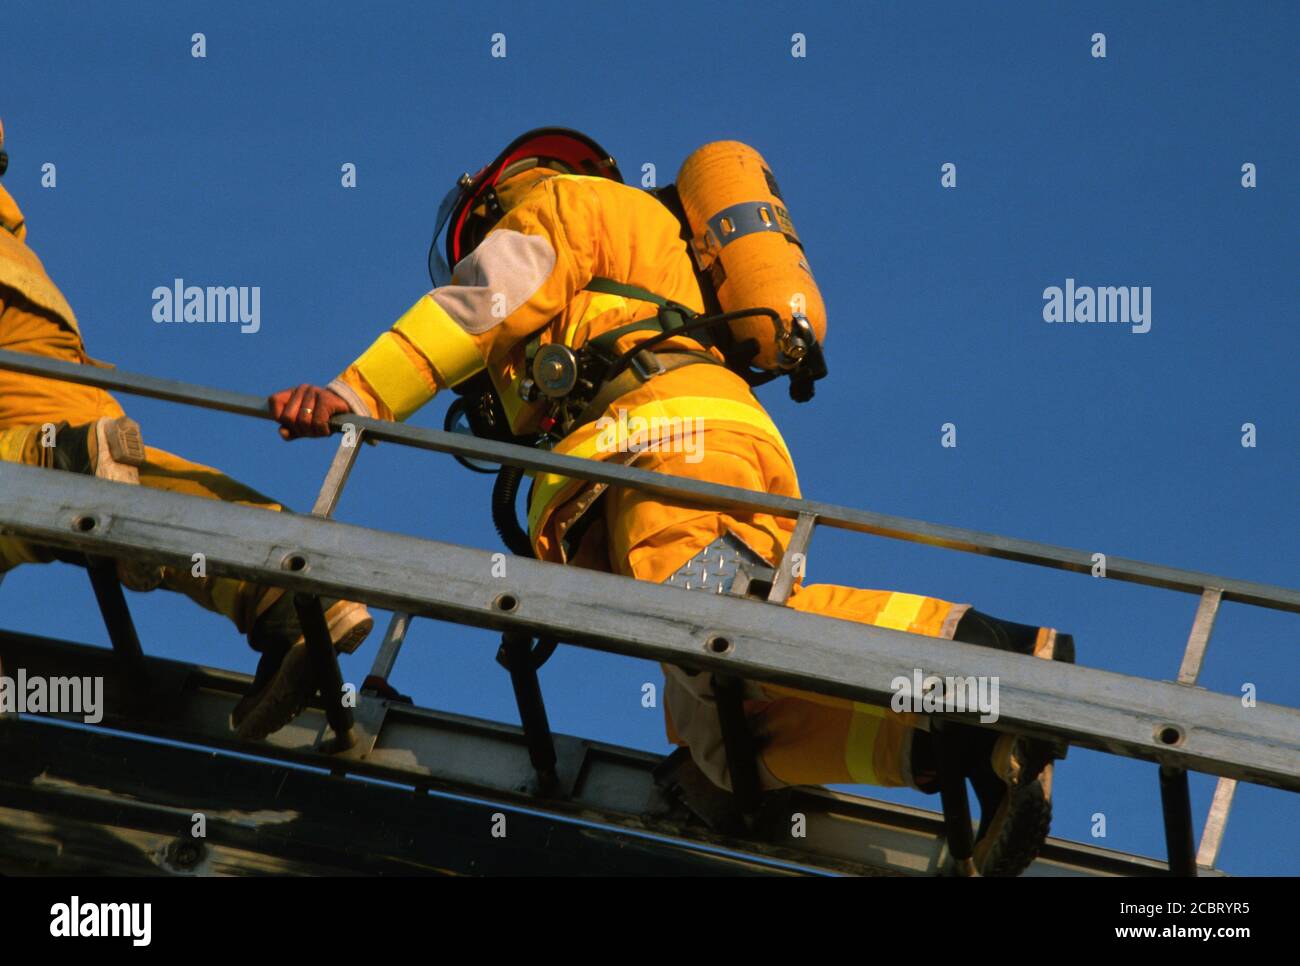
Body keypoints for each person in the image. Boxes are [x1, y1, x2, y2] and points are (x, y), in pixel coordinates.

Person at [268, 128, 1074, 875]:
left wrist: (356, 392)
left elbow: (481, 306)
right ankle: (965, 742)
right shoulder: (658, 255)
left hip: (666, 441)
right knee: (726, 732)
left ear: (493, 198)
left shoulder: (559, 205)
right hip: (692, 450)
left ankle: (988, 656)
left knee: (712, 611)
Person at [0, 119, 373, 740]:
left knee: (48, 473)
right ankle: (284, 595)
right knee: (125, 471)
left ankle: (56, 467)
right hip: (27, 305)